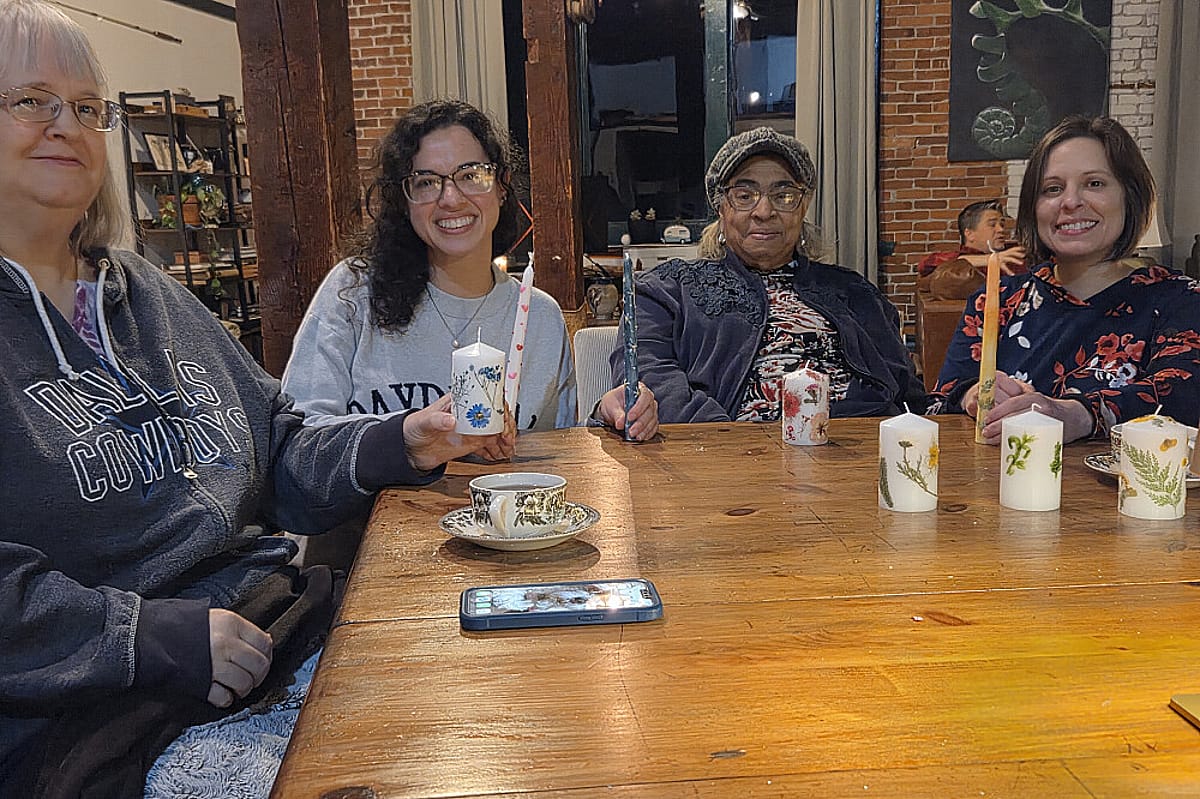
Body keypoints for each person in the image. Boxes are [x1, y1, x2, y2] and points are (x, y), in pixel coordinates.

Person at [0, 2, 497, 794]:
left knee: (498, 696)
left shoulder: (148, 292)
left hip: (278, 623)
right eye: (32, 100)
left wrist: (404, 437)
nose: (68, 125)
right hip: (108, 711)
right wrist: (151, 636)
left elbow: (281, 447)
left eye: (89, 107)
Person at [282, 100, 657, 442]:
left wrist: (605, 418)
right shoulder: (354, 292)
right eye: (426, 182)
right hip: (380, 516)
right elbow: (300, 444)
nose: (450, 198)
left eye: (470, 174)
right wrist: (403, 441)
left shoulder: (539, 316)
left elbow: (555, 450)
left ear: (502, 187)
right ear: (404, 200)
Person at [610, 126, 926, 424]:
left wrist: (962, 400)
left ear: (803, 208)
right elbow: (649, 379)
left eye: (783, 195)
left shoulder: (854, 291)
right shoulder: (667, 288)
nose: (764, 211)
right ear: (721, 207)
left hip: (864, 448)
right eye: (745, 195)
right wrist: (727, 444)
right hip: (737, 460)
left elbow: (909, 393)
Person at [929, 116, 1200, 444]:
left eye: (1094, 184)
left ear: (1131, 197)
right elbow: (940, 401)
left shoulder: (1178, 298)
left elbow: (1185, 396)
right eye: (1052, 189)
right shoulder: (995, 300)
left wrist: (1081, 413)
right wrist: (971, 395)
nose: (1070, 202)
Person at [917, 198, 1027, 299]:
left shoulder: (1014, 251)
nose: (1001, 229)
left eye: (1002, 225)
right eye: (992, 225)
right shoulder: (957, 262)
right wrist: (991, 259)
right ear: (969, 234)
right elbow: (925, 265)